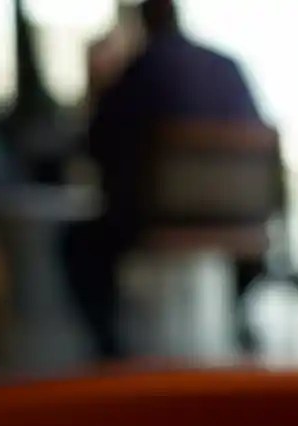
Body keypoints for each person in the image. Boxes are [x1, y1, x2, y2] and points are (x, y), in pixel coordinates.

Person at [62, 0, 265, 359]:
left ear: (142, 23)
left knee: (78, 243)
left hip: (158, 219)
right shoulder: (229, 66)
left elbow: (96, 143)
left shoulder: (141, 69)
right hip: (243, 220)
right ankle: (237, 318)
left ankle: (109, 349)